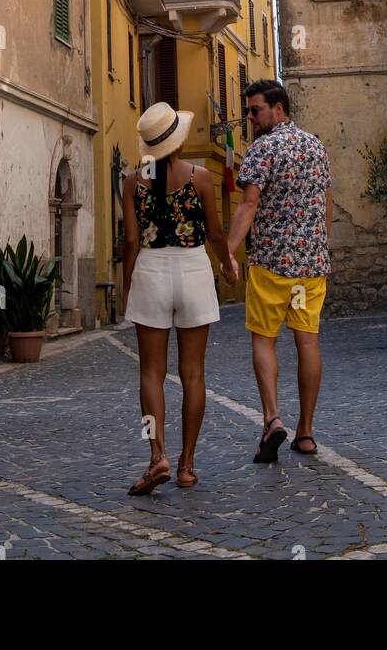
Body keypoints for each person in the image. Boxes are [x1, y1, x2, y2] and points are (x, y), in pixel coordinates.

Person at [122, 100, 237, 494]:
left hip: (151, 272)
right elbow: (217, 232)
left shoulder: (132, 181)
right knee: (193, 373)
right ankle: (187, 465)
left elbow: (132, 241)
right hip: (192, 271)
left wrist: (128, 284)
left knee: (151, 373)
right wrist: (227, 263)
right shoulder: (200, 177)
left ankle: (158, 456)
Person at [226, 79, 333, 463]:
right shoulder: (316, 146)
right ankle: (305, 433)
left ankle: (272, 419)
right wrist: (320, 244)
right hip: (310, 266)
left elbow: (248, 204)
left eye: (255, 110)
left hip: (272, 264)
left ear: (278, 108)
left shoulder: (262, 149)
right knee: (307, 341)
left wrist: (228, 251)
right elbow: (326, 201)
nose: (251, 119)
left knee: (263, 339)